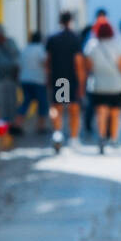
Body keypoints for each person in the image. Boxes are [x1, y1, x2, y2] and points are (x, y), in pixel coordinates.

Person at [80, 20, 121, 154]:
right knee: (115, 113)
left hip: (98, 84)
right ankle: (114, 139)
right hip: (116, 84)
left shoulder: (91, 45)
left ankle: (101, 138)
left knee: (101, 112)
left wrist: (82, 86)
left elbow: (88, 68)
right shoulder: (118, 44)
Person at [45, 11, 85, 151]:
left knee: (57, 108)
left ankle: (57, 133)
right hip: (71, 77)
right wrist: (81, 82)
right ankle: (73, 138)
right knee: (74, 109)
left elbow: (48, 61)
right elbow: (78, 63)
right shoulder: (75, 38)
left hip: (58, 77)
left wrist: (48, 77)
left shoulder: (53, 38)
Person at [15, 31, 49, 135]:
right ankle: (41, 126)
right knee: (43, 103)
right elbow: (45, 63)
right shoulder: (41, 50)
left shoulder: (25, 49)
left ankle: (18, 124)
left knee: (26, 102)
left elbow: (19, 65)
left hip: (25, 80)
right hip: (38, 80)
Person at [82, 8, 108, 136]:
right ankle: (90, 125)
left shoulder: (109, 32)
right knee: (92, 102)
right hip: (93, 73)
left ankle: (105, 131)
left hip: (105, 73)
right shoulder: (90, 33)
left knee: (103, 103)